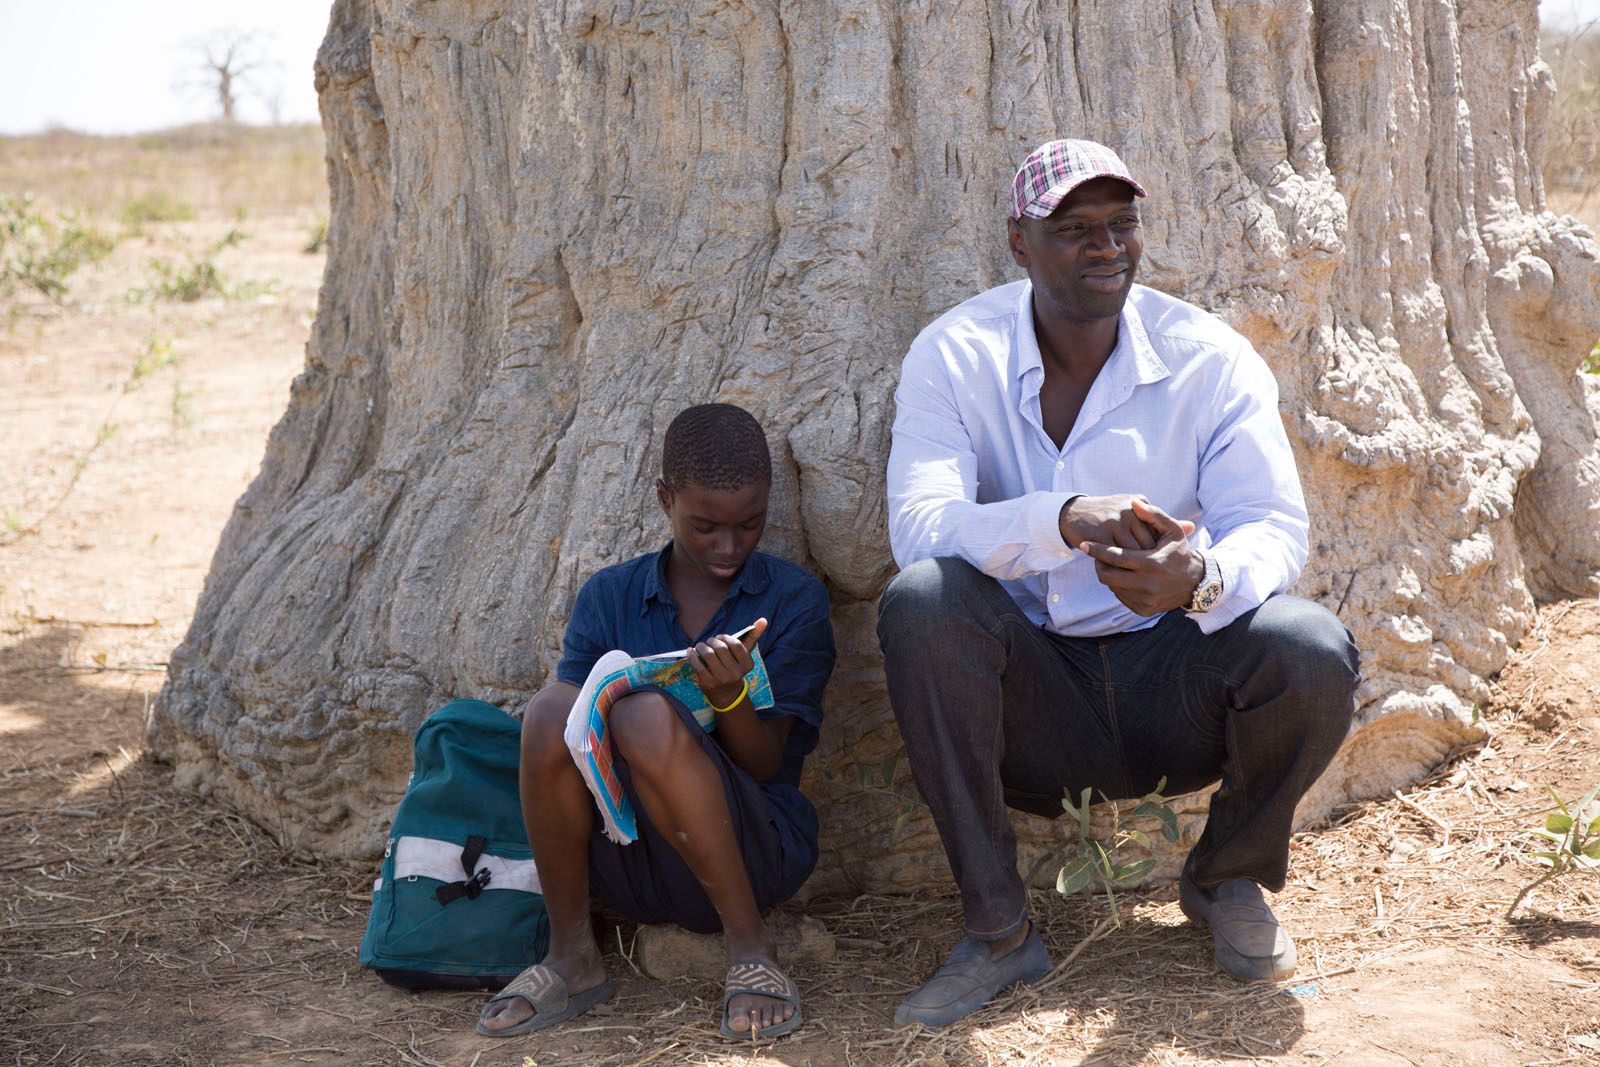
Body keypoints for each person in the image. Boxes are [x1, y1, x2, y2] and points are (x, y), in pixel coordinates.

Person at [877, 139, 1361, 1028]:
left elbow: (1273, 524)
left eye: (1122, 223)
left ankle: (1226, 878)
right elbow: (919, 527)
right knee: (923, 603)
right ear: (1019, 242)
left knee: (1308, 647)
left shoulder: (1207, 358)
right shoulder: (954, 354)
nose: (1106, 246)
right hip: (1030, 699)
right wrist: (1059, 518)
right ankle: (999, 931)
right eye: (1075, 229)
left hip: (1170, 681)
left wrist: (1198, 581)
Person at [476, 403, 836, 1041]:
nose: (729, 546)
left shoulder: (791, 600)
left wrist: (728, 698)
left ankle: (750, 945)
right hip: (634, 859)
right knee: (551, 710)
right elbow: (572, 741)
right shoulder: (610, 597)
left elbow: (766, 765)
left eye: (749, 524)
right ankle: (572, 955)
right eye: (705, 526)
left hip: (750, 851)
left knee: (644, 716)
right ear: (665, 500)